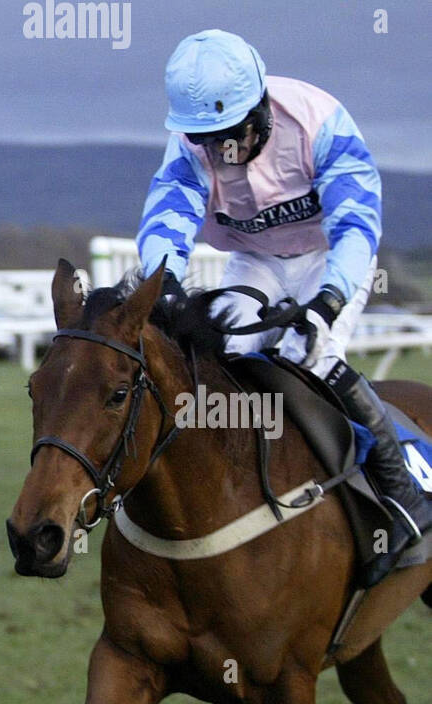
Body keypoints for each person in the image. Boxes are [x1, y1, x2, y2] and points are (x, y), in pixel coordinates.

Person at [136, 29, 431, 584]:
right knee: (227, 357)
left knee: (306, 354)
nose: (219, 151)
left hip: (330, 257)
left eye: (228, 134)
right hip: (255, 261)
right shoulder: (190, 144)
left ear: (260, 109)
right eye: (207, 139)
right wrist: (166, 284)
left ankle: (401, 491)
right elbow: (167, 218)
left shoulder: (320, 121)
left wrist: (330, 298)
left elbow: (355, 225)